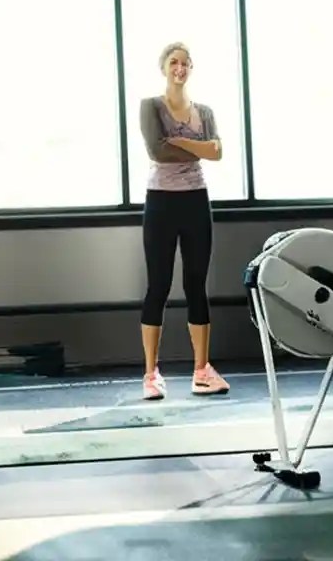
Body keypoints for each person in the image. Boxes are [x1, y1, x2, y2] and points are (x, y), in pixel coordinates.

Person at [137, 42, 230, 401]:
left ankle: (202, 371)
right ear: (163, 67)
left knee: (196, 284)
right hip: (161, 201)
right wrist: (199, 147)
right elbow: (156, 150)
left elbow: (218, 152)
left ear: (191, 68)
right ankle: (150, 374)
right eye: (174, 62)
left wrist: (178, 140)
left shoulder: (203, 111)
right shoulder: (151, 106)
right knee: (158, 286)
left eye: (185, 63)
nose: (180, 68)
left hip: (195, 200)